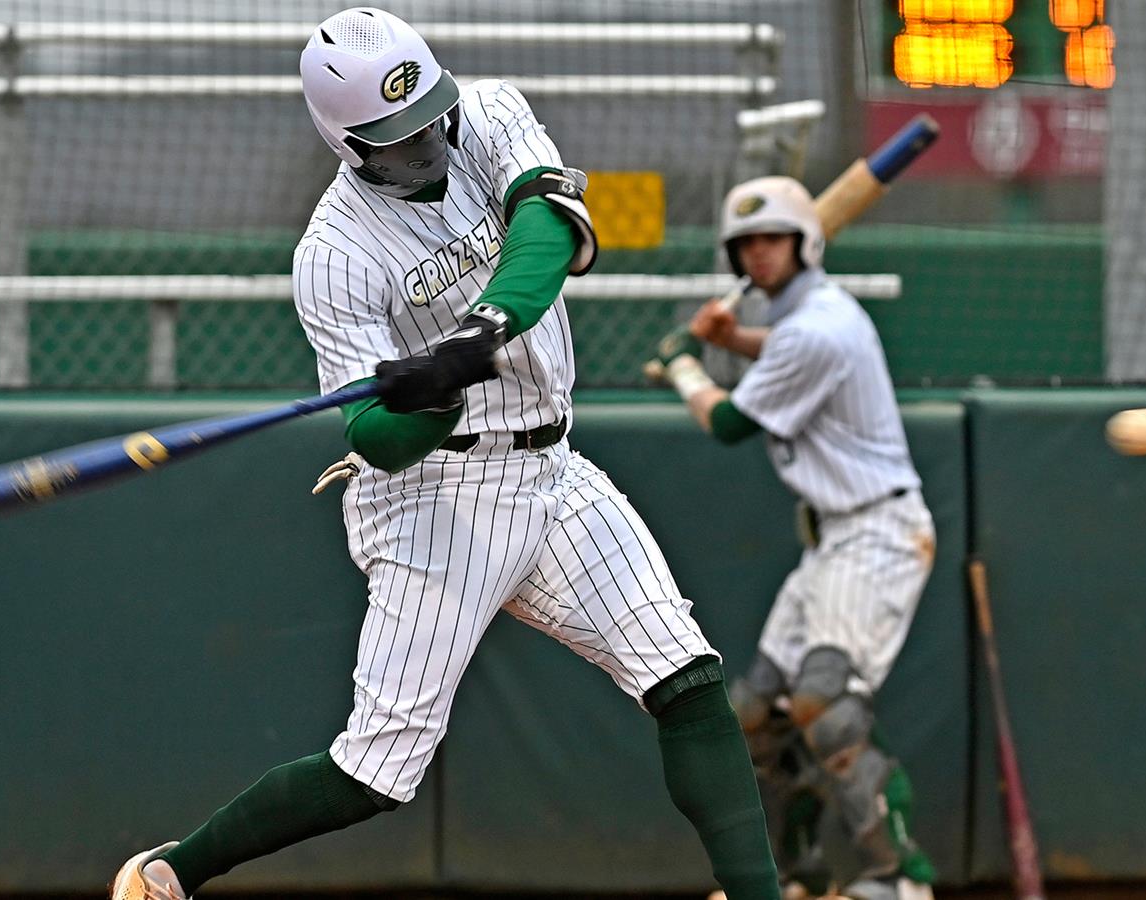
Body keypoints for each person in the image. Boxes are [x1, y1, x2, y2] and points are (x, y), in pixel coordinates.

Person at [110, 8, 779, 900]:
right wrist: (428, 395)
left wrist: (478, 333)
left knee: (686, 676)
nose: (424, 144)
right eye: (394, 138)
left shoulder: (493, 113)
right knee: (375, 772)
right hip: (436, 498)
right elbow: (376, 442)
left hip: (552, 466)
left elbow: (547, 231)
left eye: (428, 117)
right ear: (346, 143)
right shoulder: (333, 254)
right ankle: (168, 874)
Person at [653, 176, 938, 900]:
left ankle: (899, 879)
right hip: (834, 542)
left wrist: (686, 365)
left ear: (805, 243)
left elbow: (728, 423)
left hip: (877, 532)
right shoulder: (808, 319)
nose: (758, 255)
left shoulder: (819, 329)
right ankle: (796, 877)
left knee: (826, 711)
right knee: (755, 719)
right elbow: (778, 347)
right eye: (746, 244)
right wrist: (732, 338)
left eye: (773, 239)